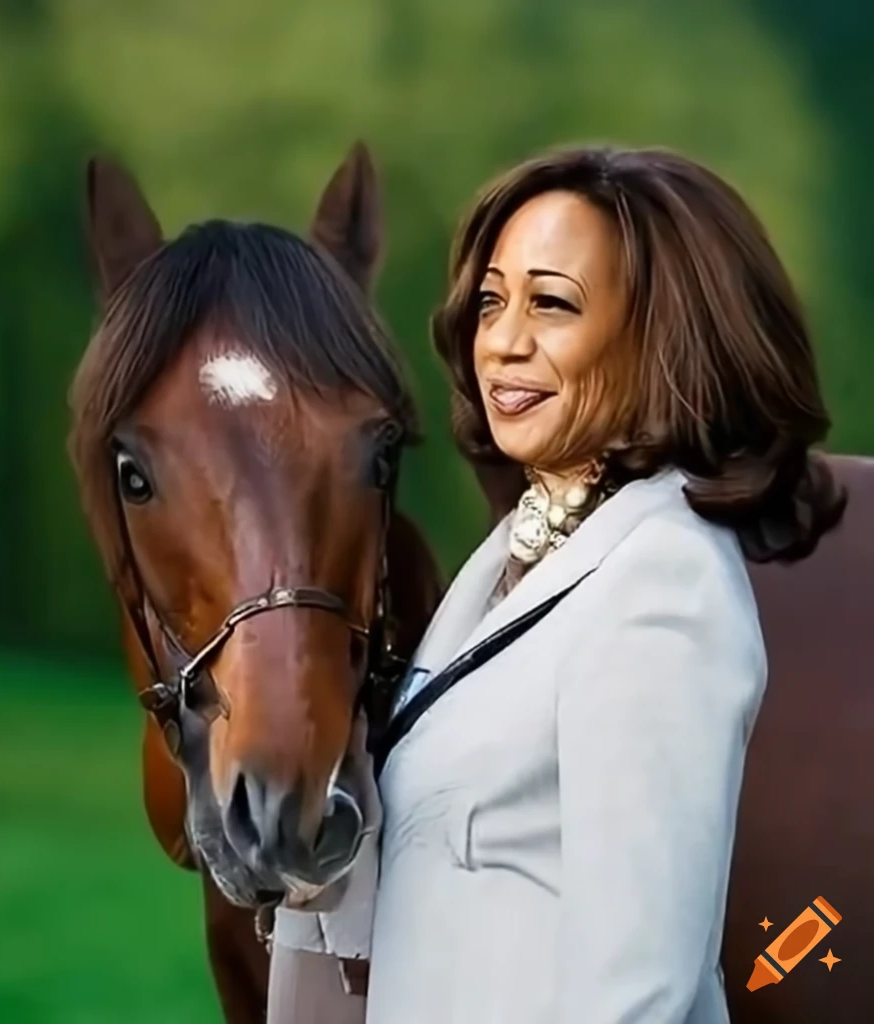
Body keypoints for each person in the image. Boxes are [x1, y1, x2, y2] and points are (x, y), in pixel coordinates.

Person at [267, 145, 846, 1024]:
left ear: (661, 336)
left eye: (553, 303)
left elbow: (639, 991)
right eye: (493, 300)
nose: (502, 341)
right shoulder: (507, 564)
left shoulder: (663, 584)